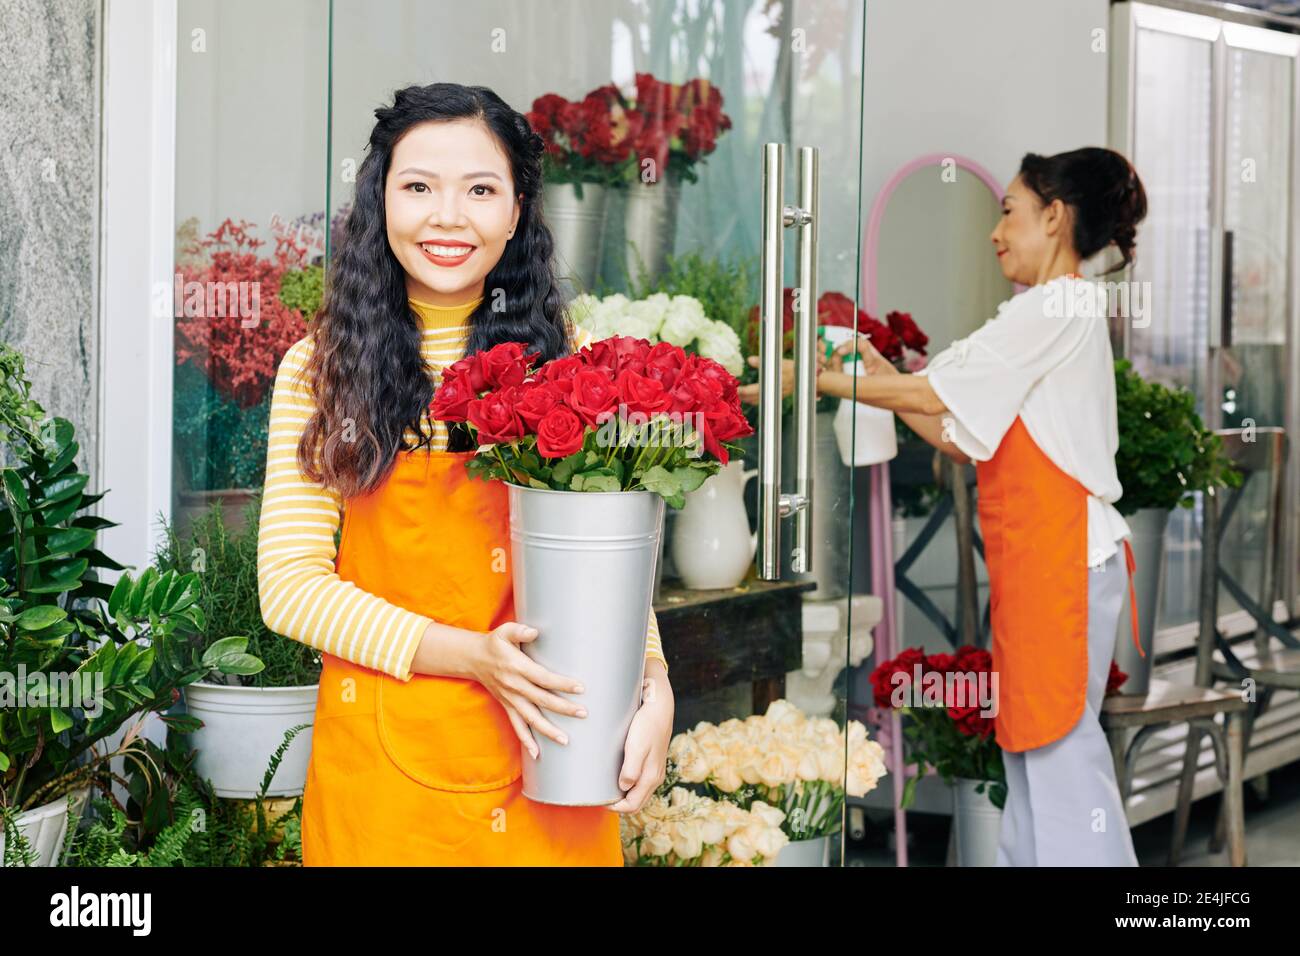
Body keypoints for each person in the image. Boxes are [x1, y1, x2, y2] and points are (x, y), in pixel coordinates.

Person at [256, 83, 674, 865]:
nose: (448, 217)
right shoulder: (320, 373)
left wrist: (653, 684)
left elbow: (611, 563)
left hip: (555, 756)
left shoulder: (569, 366)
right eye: (418, 187)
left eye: (480, 190)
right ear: (379, 199)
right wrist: (471, 655)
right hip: (384, 781)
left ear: (516, 211)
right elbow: (289, 586)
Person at [743, 147, 1149, 866]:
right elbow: (962, 434)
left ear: (1055, 217)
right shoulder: (1050, 311)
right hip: (1043, 566)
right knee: (1031, 751)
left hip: (1061, 564)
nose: (996, 232)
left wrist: (811, 376)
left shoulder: (1058, 305)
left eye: (1008, 212)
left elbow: (936, 397)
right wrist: (881, 377)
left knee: (1057, 758)